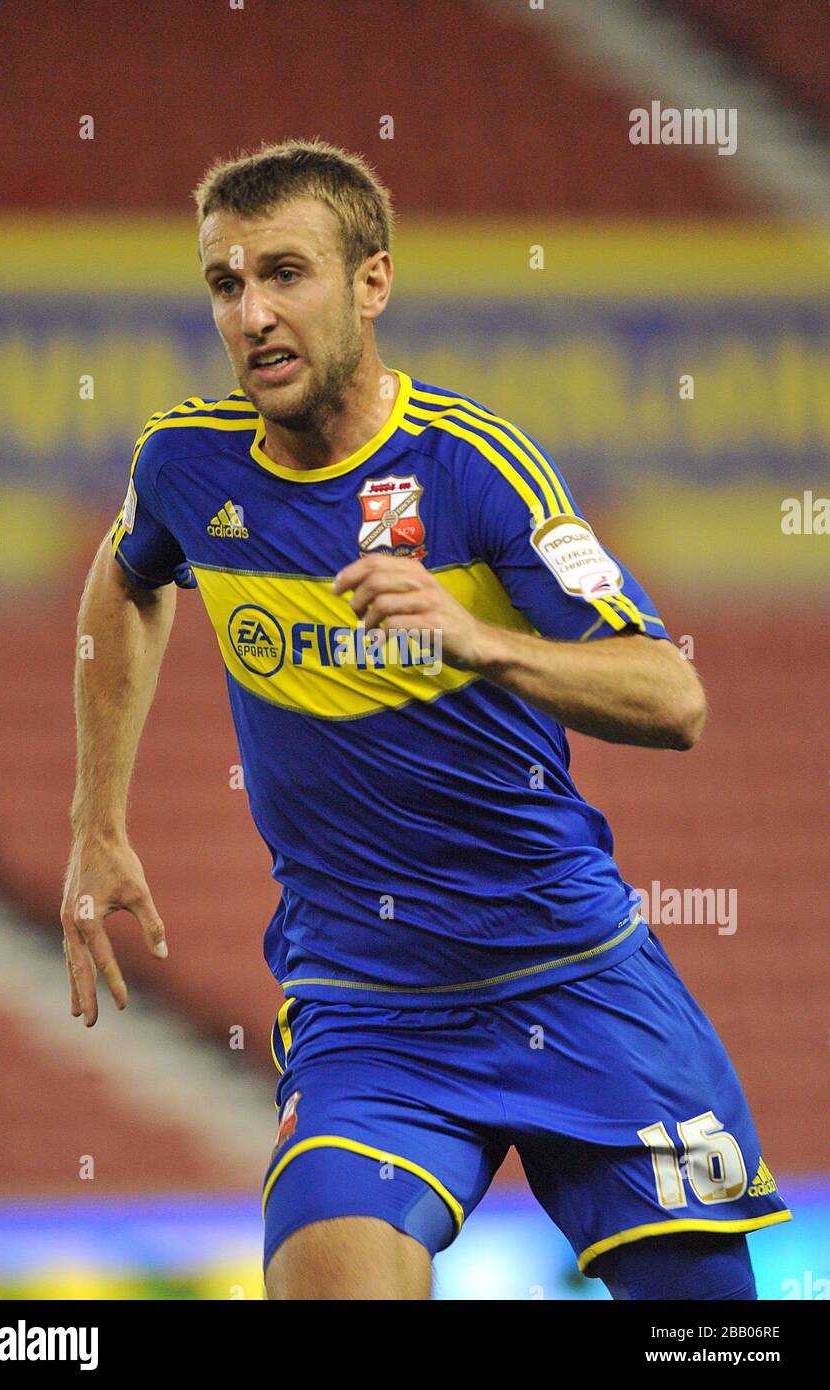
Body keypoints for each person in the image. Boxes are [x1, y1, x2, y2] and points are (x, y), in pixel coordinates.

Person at [61, 138, 790, 1300]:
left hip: (576, 980)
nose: (251, 314)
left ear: (372, 282)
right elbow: (128, 579)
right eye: (225, 283)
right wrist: (97, 821)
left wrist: (481, 639)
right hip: (368, 1015)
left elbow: (673, 696)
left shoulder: (476, 469)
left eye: (284, 274)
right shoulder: (187, 465)